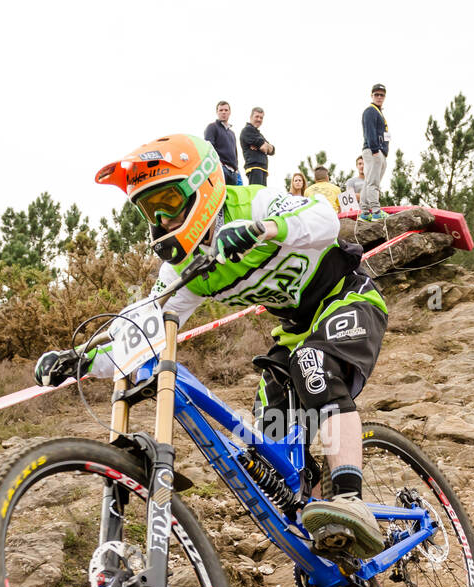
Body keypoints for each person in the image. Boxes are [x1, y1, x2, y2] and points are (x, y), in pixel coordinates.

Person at [35, 134, 389, 557]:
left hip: (347, 296)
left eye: (169, 201)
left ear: (203, 188)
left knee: (314, 366)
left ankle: (350, 497)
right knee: (267, 445)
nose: (163, 218)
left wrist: (264, 229)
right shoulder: (185, 267)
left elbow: (325, 220)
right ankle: (331, 548)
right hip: (294, 329)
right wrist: (83, 360)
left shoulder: (252, 204)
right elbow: (144, 327)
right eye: (152, 209)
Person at [359, 84, 390, 221]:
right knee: (373, 182)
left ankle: (365, 212)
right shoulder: (370, 111)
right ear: (371, 95)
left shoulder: (379, 112)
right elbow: (369, 131)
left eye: (381, 95)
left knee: (369, 181)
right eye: (376, 94)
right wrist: (375, 149)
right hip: (374, 151)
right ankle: (376, 211)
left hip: (379, 151)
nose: (379, 97)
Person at [203, 100, 241, 186]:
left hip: (233, 173)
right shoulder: (212, 127)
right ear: (217, 112)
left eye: (226, 110)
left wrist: (236, 169)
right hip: (221, 169)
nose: (223, 112)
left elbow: (235, 152)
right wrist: (217, 164)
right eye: (221, 110)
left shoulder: (232, 133)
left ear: (230, 112)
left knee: (231, 198)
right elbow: (209, 147)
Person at [240, 108, 275, 187]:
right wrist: (264, 146)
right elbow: (264, 148)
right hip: (254, 168)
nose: (259, 119)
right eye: (257, 116)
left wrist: (265, 145)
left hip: (263, 169)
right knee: (256, 195)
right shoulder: (247, 130)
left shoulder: (258, 134)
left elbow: (272, 151)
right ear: (251, 117)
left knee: (263, 197)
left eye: (261, 117)